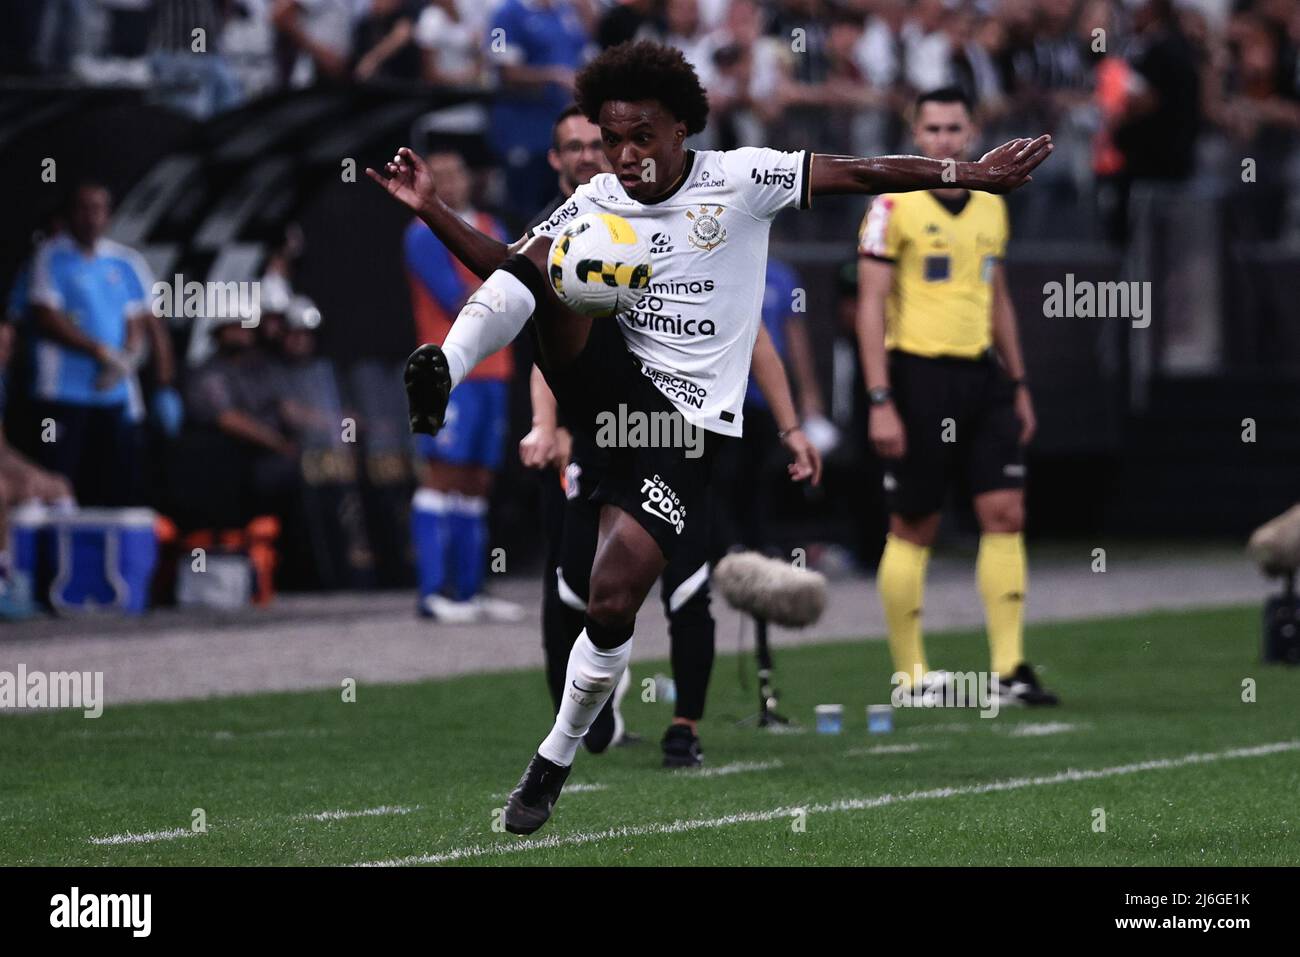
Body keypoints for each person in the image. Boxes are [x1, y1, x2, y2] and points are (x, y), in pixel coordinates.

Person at [369, 39, 1051, 834]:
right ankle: (444, 369)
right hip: (604, 387)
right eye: (612, 138)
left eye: (643, 138)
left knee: (614, 596)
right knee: (542, 269)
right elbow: (503, 264)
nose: (626, 156)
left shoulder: (741, 179)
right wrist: (431, 209)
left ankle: (554, 757)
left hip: (683, 425)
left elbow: (861, 173)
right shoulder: (594, 199)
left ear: (683, 129)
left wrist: (965, 174)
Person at [521, 105, 820, 767]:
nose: (591, 157)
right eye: (577, 146)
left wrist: (793, 424)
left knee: (687, 584)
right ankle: (579, 724)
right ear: (557, 159)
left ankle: (683, 722)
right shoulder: (564, 232)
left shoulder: (670, 215)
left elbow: (749, 333)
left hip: (684, 432)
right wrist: (547, 424)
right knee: (576, 587)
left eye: (599, 145)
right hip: (598, 435)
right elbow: (553, 350)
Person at [856, 86, 1059, 709]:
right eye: (933, 129)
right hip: (917, 377)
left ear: (971, 131)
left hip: (982, 377)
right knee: (915, 523)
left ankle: (1008, 667)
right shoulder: (893, 205)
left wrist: (1019, 383)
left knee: (1006, 514)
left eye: (954, 128)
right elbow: (868, 307)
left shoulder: (994, 205)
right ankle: (912, 675)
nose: (944, 139)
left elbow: (998, 300)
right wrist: (880, 398)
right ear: (916, 136)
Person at [404, 151, 524, 624]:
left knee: (478, 482)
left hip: (494, 370)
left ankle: (469, 592)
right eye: (441, 176)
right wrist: (511, 293)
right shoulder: (422, 233)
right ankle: (433, 593)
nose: (451, 183)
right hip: (448, 368)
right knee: (442, 476)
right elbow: (461, 301)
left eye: (457, 173)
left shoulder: (491, 226)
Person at [27, 181, 174, 507]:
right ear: (70, 214)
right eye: (83, 208)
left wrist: (128, 357)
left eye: (98, 209)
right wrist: (100, 352)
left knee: (117, 484)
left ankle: (114, 555)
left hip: (114, 396)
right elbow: (47, 318)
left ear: (108, 215)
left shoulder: (125, 262)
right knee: (59, 483)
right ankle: (57, 556)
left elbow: (139, 319)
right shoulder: (50, 257)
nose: (90, 217)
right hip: (62, 396)